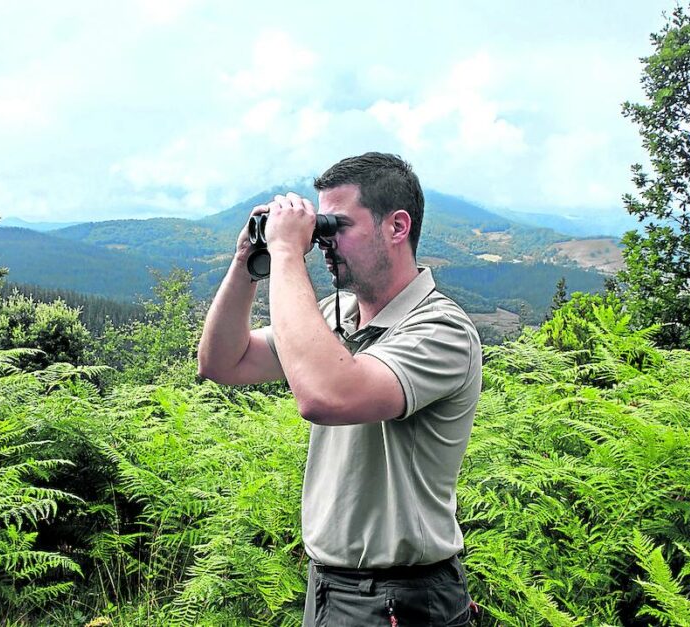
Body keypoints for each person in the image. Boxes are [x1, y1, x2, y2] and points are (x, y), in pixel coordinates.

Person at [197, 152, 482, 626]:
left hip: (400, 597)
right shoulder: (336, 315)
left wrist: (289, 253)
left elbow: (325, 396)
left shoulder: (441, 330)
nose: (323, 243)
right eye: (320, 228)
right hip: (329, 585)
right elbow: (223, 362)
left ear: (396, 227)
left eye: (337, 226)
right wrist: (248, 260)